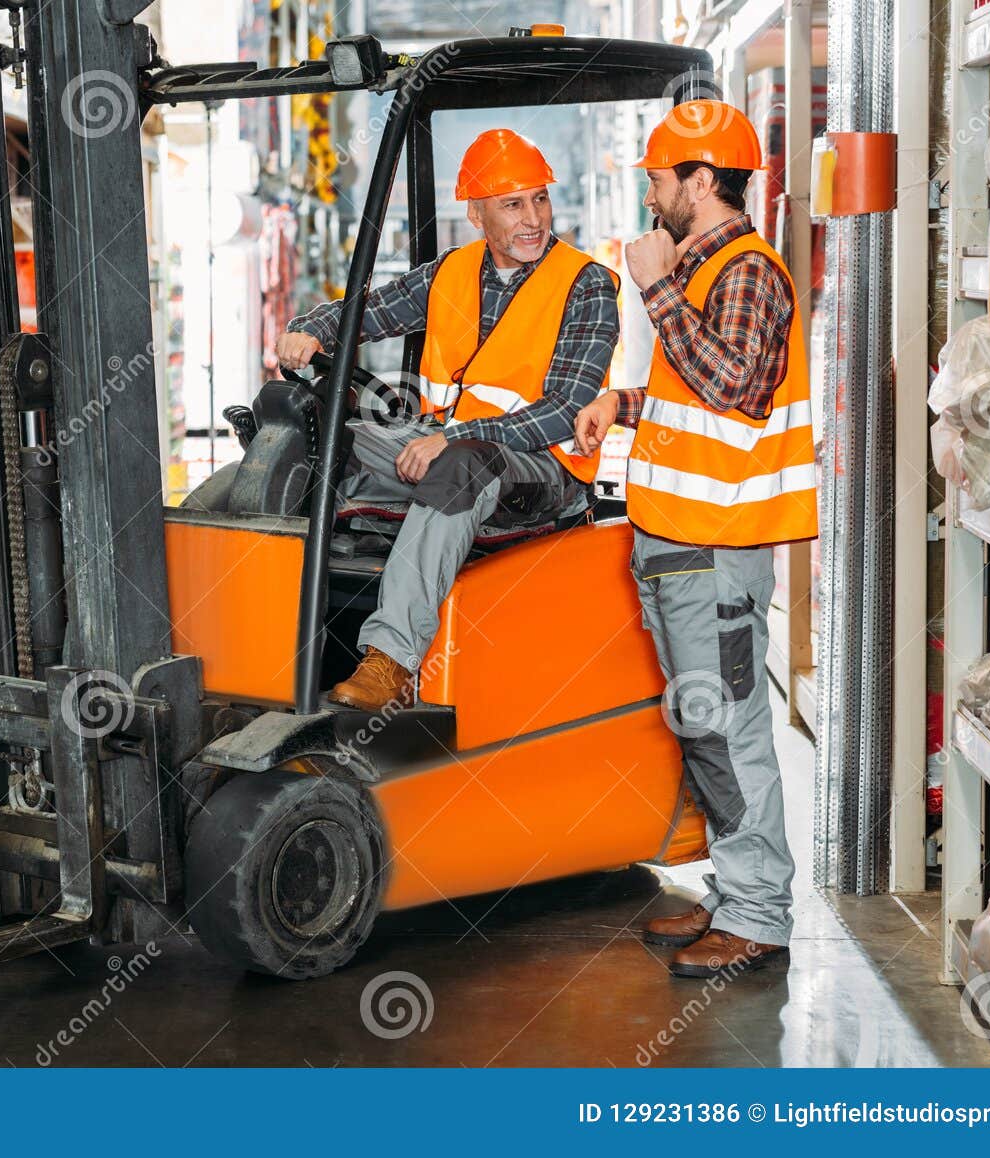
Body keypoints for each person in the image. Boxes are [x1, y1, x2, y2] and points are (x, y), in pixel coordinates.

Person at [572, 99, 817, 980]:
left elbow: (736, 388)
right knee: (706, 729)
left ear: (702, 181)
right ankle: (738, 889)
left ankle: (759, 916)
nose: (649, 190)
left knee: (730, 731)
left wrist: (653, 287)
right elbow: (692, 391)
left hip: (714, 549)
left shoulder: (746, 270)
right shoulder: (703, 267)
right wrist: (624, 403)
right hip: (679, 541)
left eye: (660, 177)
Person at [277, 128, 619, 712]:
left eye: (540, 198)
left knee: (460, 465)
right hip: (449, 450)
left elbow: (565, 412)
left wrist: (451, 437)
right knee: (323, 435)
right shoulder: (450, 273)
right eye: (513, 204)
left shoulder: (584, 284)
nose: (533, 217)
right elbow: (370, 309)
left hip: (543, 475)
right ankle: (281, 615)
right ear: (476, 211)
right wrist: (315, 327)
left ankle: (391, 660)